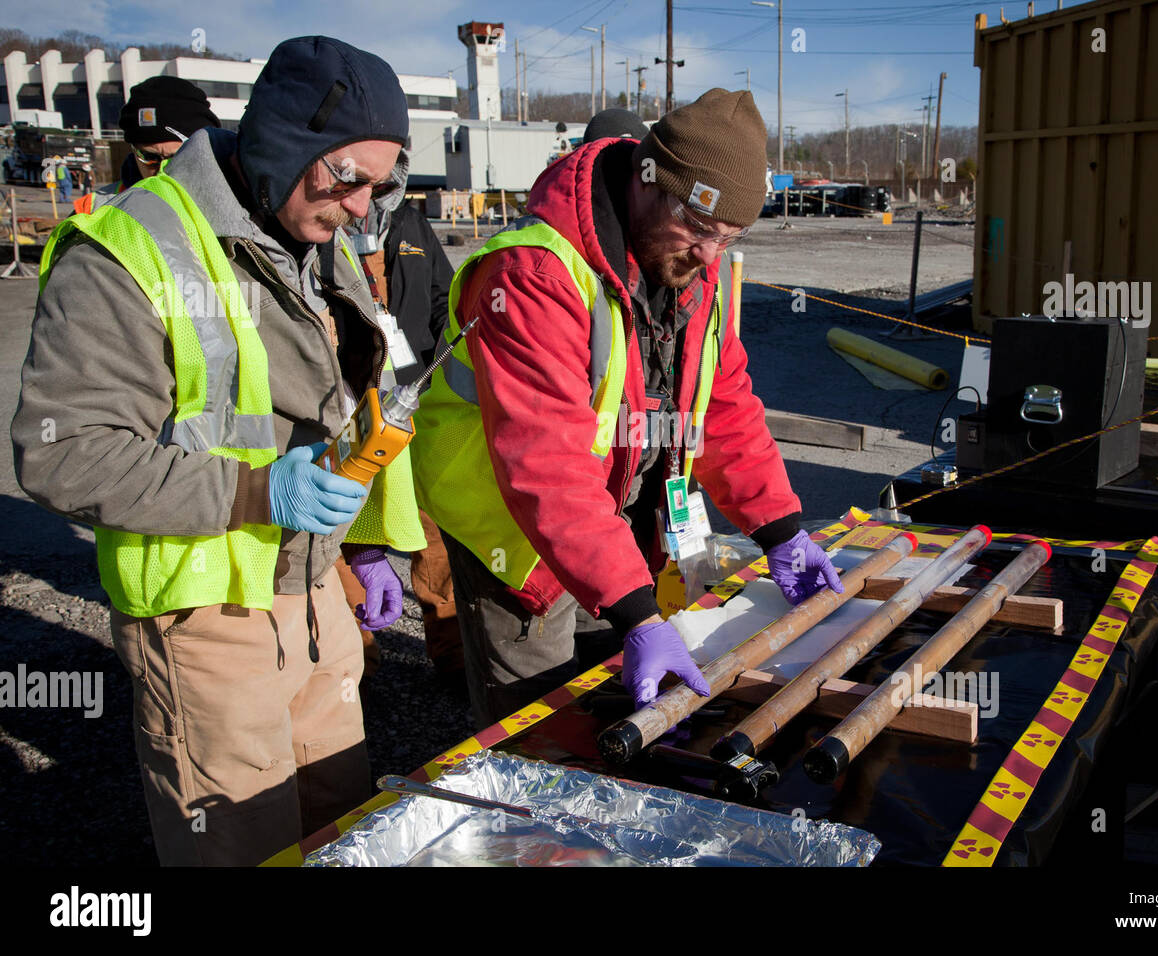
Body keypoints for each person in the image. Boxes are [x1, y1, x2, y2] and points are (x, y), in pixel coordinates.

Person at [12, 35, 425, 866]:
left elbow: (341, 405)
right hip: (206, 622)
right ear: (284, 147)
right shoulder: (132, 249)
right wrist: (258, 493)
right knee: (240, 845)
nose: (359, 205)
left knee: (342, 832)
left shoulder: (314, 230)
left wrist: (374, 540)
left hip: (316, 600)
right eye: (346, 176)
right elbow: (63, 453)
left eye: (380, 186)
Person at [411, 88, 843, 727]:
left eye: (728, 239)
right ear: (650, 182)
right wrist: (637, 611)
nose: (708, 257)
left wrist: (779, 529)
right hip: (519, 540)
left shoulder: (690, 270)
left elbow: (723, 407)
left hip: (613, 527)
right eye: (698, 229)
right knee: (538, 730)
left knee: (615, 709)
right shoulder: (532, 274)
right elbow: (547, 465)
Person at [343, 192, 461, 674]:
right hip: (350, 399)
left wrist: (444, 363)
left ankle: (452, 654)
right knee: (348, 525)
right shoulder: (324, 218)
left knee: (433, 531)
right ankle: (357, 660)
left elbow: (442, 299)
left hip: (416, 397)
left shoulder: (410, 222)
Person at [73, 76, 219, 215]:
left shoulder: (231, 200)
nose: (163, 169)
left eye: (177, 157)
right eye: (149, 157)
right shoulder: (93, 210)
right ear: (133, 150)